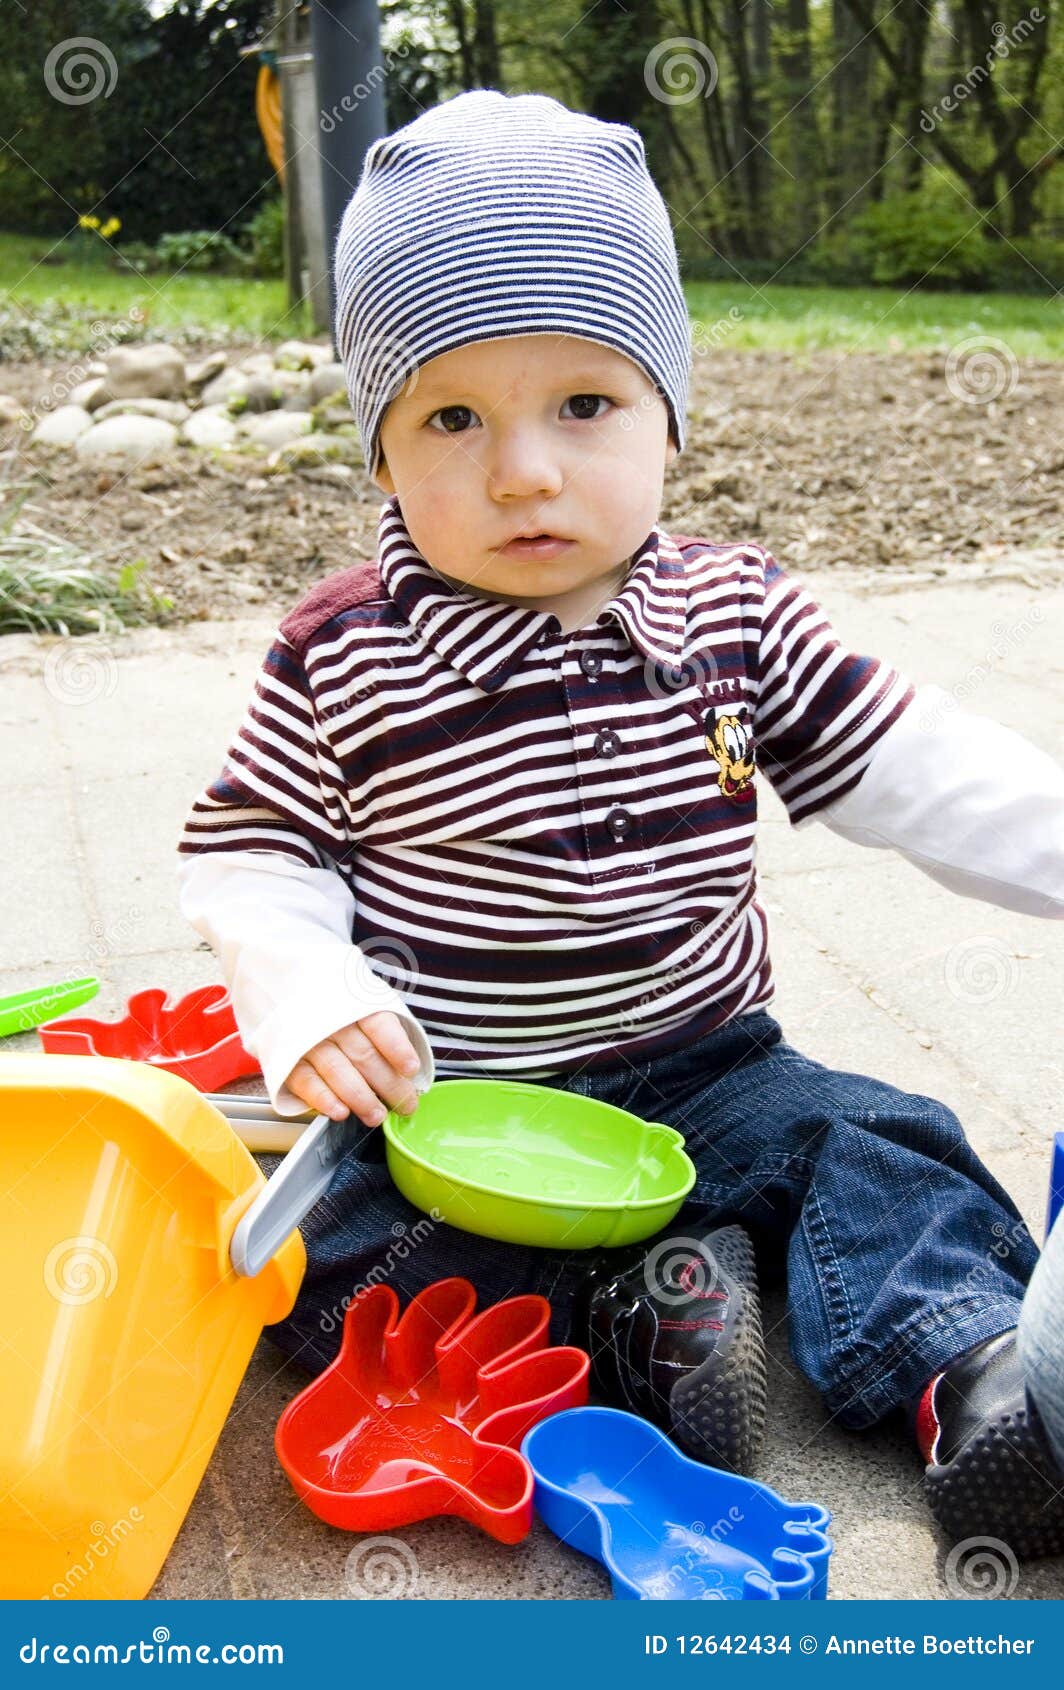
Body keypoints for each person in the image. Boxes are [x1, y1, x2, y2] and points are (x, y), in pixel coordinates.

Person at [177, 90, 1064, 1557]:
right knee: (346, 1269)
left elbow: (919, 764)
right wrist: (306, 990)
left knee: (885, 1144)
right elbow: (256, 851)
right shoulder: (345, 653)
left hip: (709, 1064)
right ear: (380, 449)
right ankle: (650, 1329)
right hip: (457, 1108)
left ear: (668, 415)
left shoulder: (736, 614)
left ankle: (965, 1381)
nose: (525, 468)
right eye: (453, 415)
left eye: (584, 404)